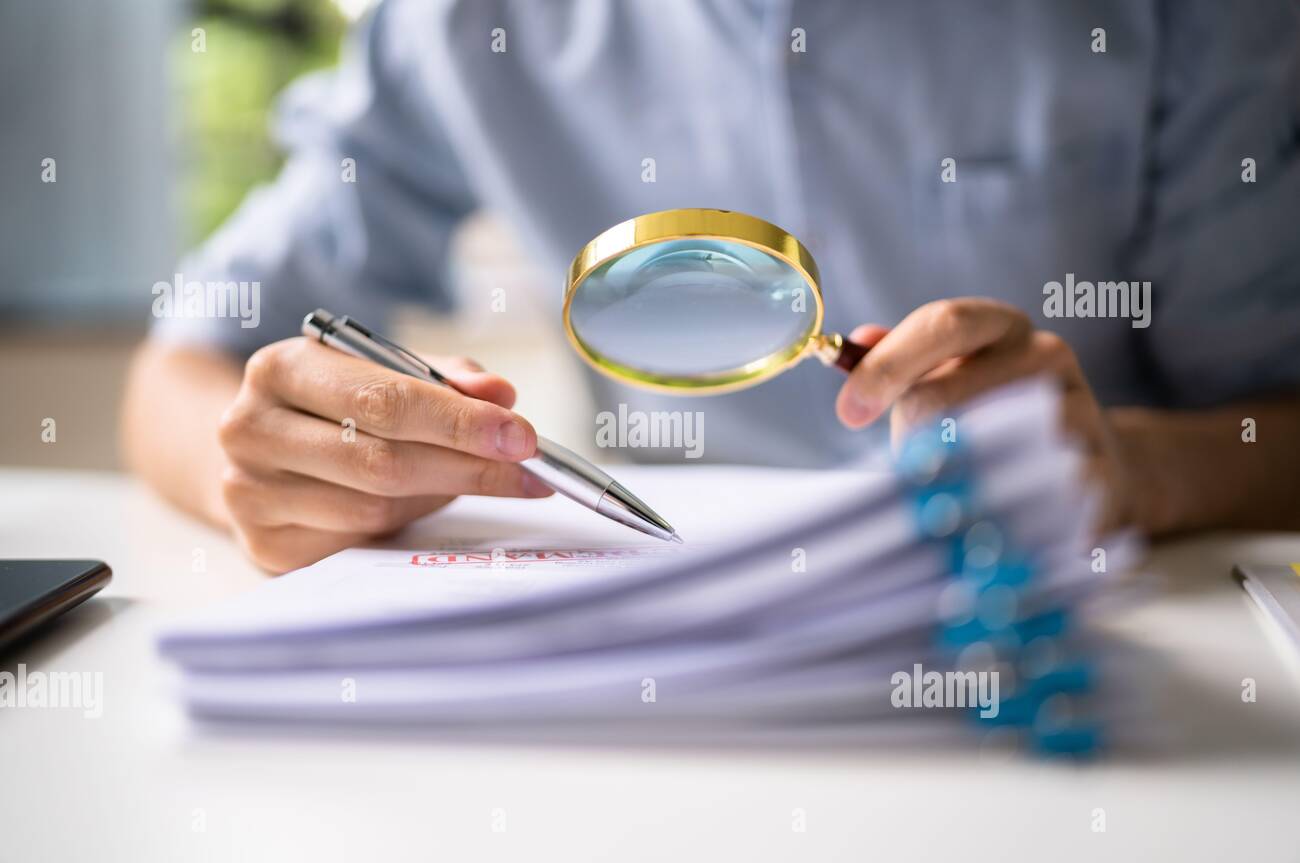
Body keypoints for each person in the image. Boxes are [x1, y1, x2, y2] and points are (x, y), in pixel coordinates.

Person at [122, 0, 1300, 572]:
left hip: (1065, 629)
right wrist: (275, 475)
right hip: (651, 682)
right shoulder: (462, 23)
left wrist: (1127, 468)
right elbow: (179, 370)